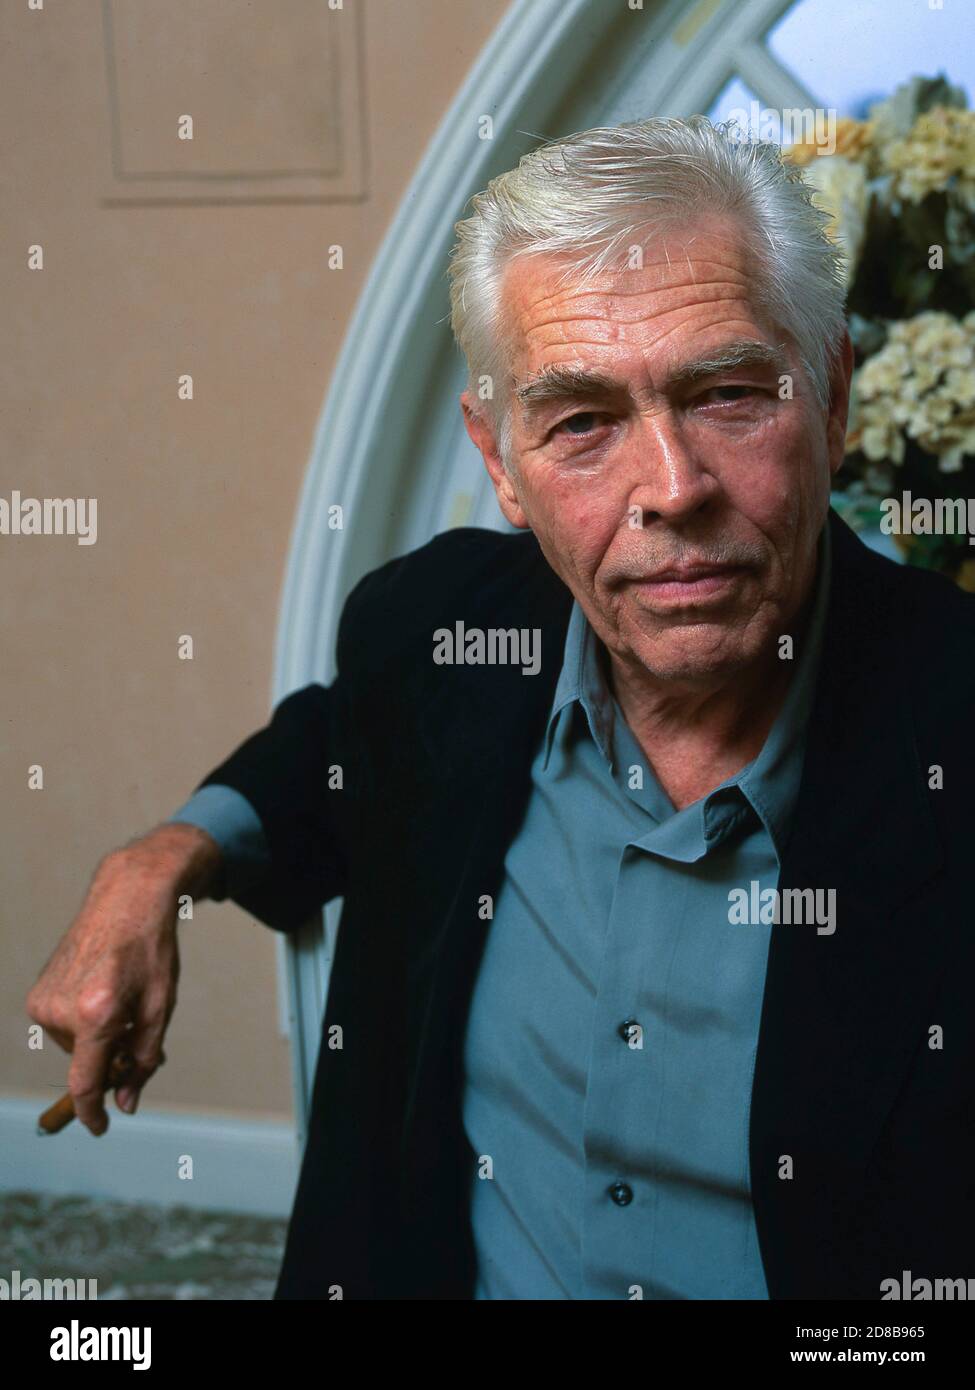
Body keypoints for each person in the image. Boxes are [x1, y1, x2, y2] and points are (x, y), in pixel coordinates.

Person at [27, 117, 975, 1300]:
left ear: (832, 399)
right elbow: (332, 741)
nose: (671, 491)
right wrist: (159, 861)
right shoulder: (437, 635)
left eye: (729, 394)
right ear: (501, 461)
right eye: (582, 423)